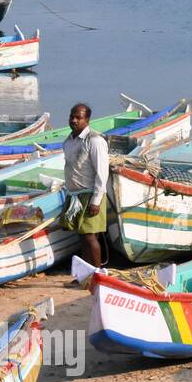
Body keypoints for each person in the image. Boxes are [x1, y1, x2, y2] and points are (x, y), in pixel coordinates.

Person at [62, 103, 109, 270]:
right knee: (82, 236)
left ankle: (98, 276)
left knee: (90, 237)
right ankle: (86, 275)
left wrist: (96, 200)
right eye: (72, 117)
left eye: (78, 117)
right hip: (75, 195)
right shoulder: (68, 141)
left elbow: (102, 173)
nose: (74, 120)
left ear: (87, 120)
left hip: (90, 194)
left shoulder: (95, 141)